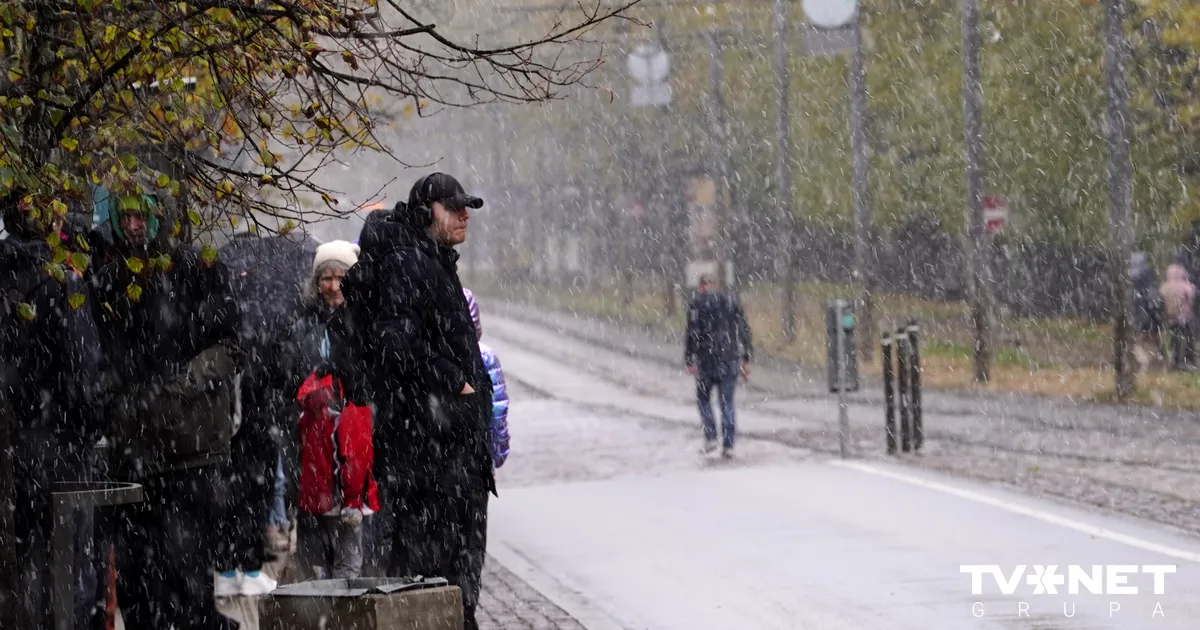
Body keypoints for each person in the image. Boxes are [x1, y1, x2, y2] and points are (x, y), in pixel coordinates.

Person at [341, 173, 493, 629]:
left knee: (446, 578)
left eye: (466, 207)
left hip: (441, 453)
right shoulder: (410, 262)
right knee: (436, 580)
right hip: (429, 456)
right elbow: (395, 343)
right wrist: (455, 381)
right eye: (455, 207)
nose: (465, 215)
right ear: (430, 212)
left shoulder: (433, 259)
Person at [90, 180, 241, 630]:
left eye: (142, 215)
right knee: (140, 588)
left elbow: (233, 344)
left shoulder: (195, 267)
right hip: (135, 459)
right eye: (126, 215)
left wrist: (185, 384)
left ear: (158, 216)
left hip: (190, 455)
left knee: (190, 583)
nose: (135, 225)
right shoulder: (106, 279)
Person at [1, 194, 106, 629]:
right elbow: (82, 367)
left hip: (13, 446)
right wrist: (91, 424)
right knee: (68, 577)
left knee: (19, 570)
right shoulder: (63, 279)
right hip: (60, 447)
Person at [290, 240, 379, 580]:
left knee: (354, 539)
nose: (332, 286)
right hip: (312, 443)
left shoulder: (364, 324)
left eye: (340, 277)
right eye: (326, 277)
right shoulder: (303, 323)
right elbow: (290, 372)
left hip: (355, 441)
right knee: (318, 543)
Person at [685, 273, 753, 458]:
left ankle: (711, 436)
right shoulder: (731, 302)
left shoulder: (696, 305)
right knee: (727, 402)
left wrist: (689, 359)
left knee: (703, 399)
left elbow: (692, 333)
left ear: (700, 287)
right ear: (716, 285)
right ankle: (729, 444)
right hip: (730, 358)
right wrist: (746, 357)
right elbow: (744, 329)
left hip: (706, 359)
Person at [463, 289, 511, 469]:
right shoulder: (486, 356)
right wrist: (498, 450)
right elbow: (498, 407)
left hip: (441, 457)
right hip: (476, 456)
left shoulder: (432, 353)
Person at [1160, 263, 1196, 371]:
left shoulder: (1165, 286)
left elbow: (1161, 299)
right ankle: (1188, 359)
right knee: (1188, 339)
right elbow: (1191, 297)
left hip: (1172, 318)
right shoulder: (1186, 286)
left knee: (1174, 339)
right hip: (1185, 317)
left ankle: (1175, 360)